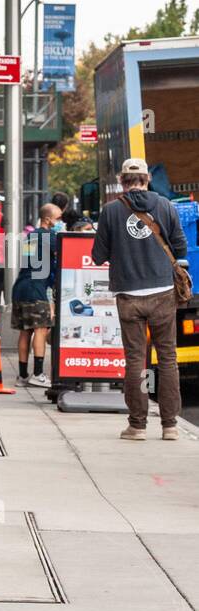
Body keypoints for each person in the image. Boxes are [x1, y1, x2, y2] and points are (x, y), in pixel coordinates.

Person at [91, 157, 188, 441]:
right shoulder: (165, 205)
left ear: (122, 181)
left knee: (136, 360)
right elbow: (180, 244)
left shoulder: (110, 211)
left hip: (129, 295)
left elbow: (98, 256)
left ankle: (137, 425)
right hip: (161, 293)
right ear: (147, 179)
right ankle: (169, 425)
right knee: (167, 359)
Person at [13, 204, 59, 388]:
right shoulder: (50, 237)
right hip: (36, 289)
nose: (59, 221)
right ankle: (38, 374)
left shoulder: (30, 236)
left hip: (20, 287)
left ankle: (23, 375)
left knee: (25, 331)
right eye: (58, 217)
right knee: (40, 329)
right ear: (48, 219)